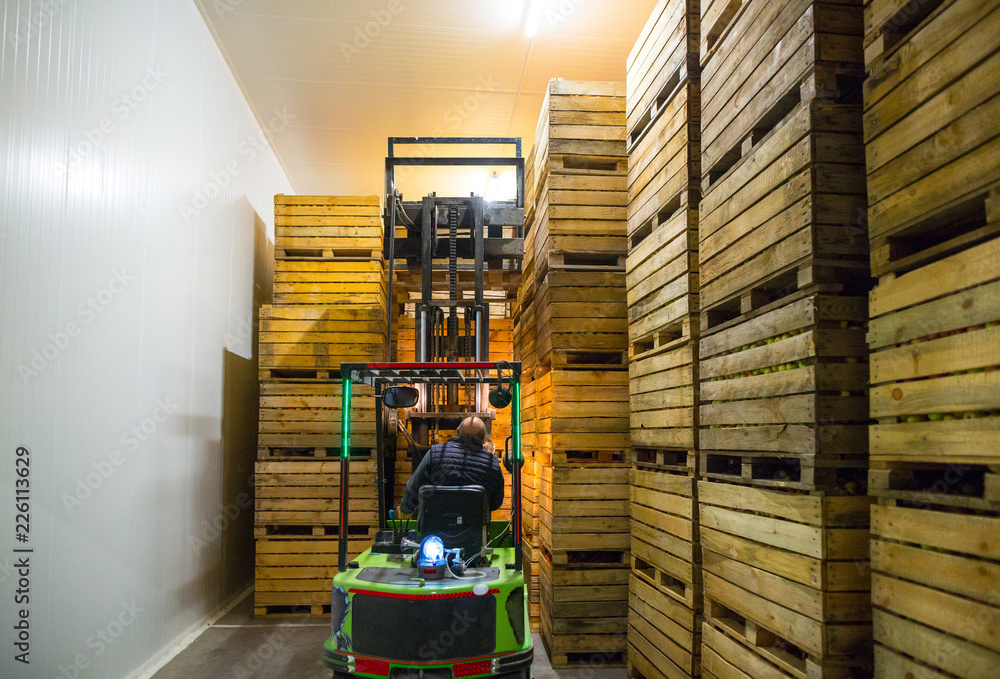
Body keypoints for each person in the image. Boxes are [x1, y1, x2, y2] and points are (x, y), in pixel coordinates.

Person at [399, 416, 505, 515]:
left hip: (435, 527)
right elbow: (496, 502)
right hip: (475, 530)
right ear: (483, 438)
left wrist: (405, 509)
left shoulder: (435, 453)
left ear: (458, 432)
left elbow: (414, 487)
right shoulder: (493, 463)